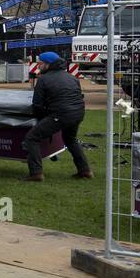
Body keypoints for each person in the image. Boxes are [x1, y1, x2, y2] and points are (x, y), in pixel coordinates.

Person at [25, 51, 92, 181]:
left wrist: (43, 119)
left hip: (60, 114)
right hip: (78, 113)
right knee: (70, 139)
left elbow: (37, 105)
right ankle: (85, 171)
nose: (39, 66)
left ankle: (36, 173)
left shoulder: (43, 79)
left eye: (41, 63)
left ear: (48, 65)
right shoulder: (71, 77)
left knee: (31, 138)